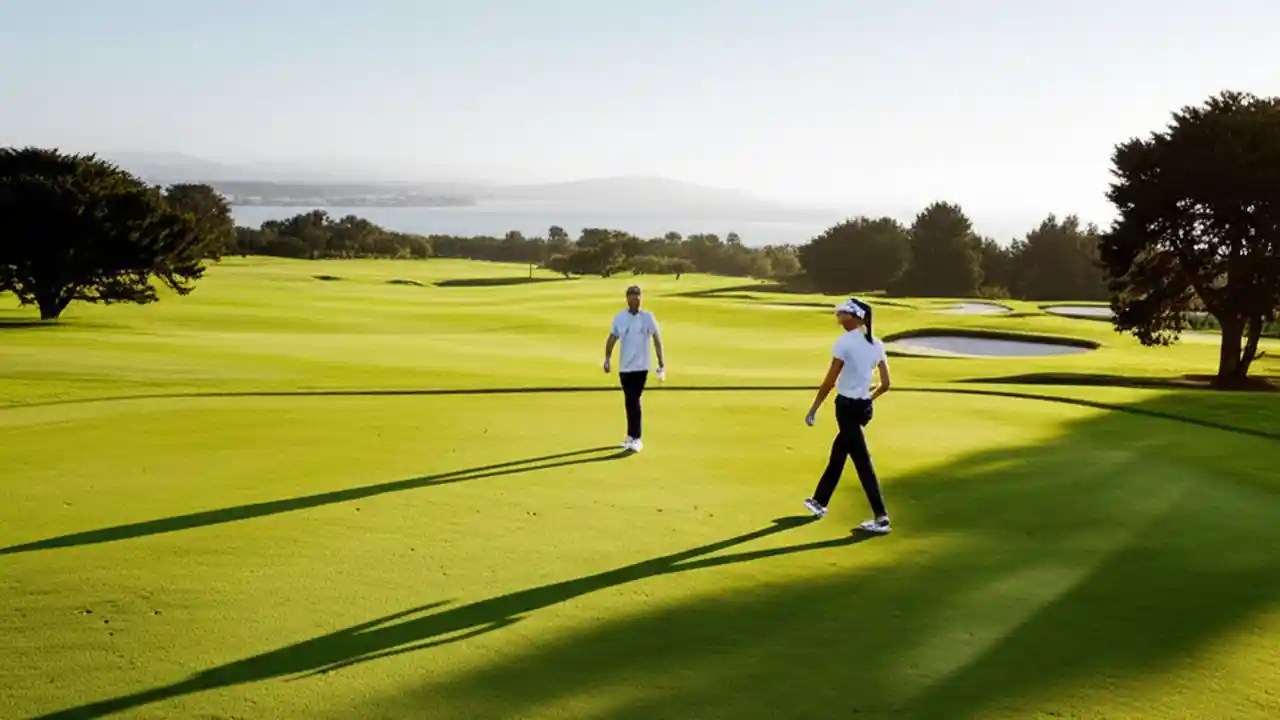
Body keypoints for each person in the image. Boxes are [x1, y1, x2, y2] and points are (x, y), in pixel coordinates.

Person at [802, 298, 893, 534]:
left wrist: (814, 408)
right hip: (863, 409)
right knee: (840, 451)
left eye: (842, 314)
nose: (838, 317)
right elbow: (885, 384)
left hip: (845, 408)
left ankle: (881, 517)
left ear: (854, 317)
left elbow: (831, 380)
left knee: (863, 462)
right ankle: (819, 502)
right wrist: (867, 400)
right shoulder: (877, 343)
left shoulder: (844, 343)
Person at [603, 285, 665, 452]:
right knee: (629, 401)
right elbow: (612, 339)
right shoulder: (620, 318)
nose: (635, 302)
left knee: (634, 399)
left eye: (637, 299)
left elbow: (657, 340)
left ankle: (637, 438)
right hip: (625, 367)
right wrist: (607, 359)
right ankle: (630, 436)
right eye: (632, 299)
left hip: (641, 366)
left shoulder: (648, 317)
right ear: (627, 299)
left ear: (640, 299)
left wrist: (661, 364)